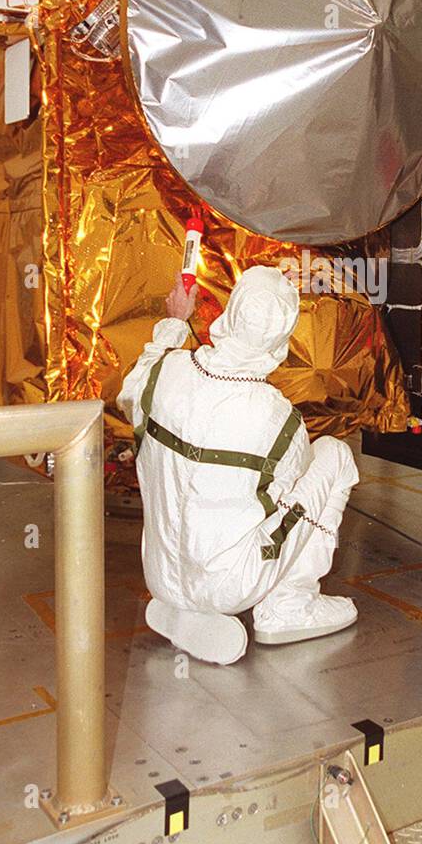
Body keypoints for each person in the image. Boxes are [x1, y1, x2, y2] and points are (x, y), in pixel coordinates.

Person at [117, 265, 360, 665]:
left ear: (228, 314)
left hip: (158, 574)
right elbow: (290, 497)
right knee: (333, 455)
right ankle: (288, 606)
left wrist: (175, 322)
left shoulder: (165, 373)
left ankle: (186, 598)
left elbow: (133, 390)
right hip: (230, 588)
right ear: (282, 340)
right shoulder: (277, 417)